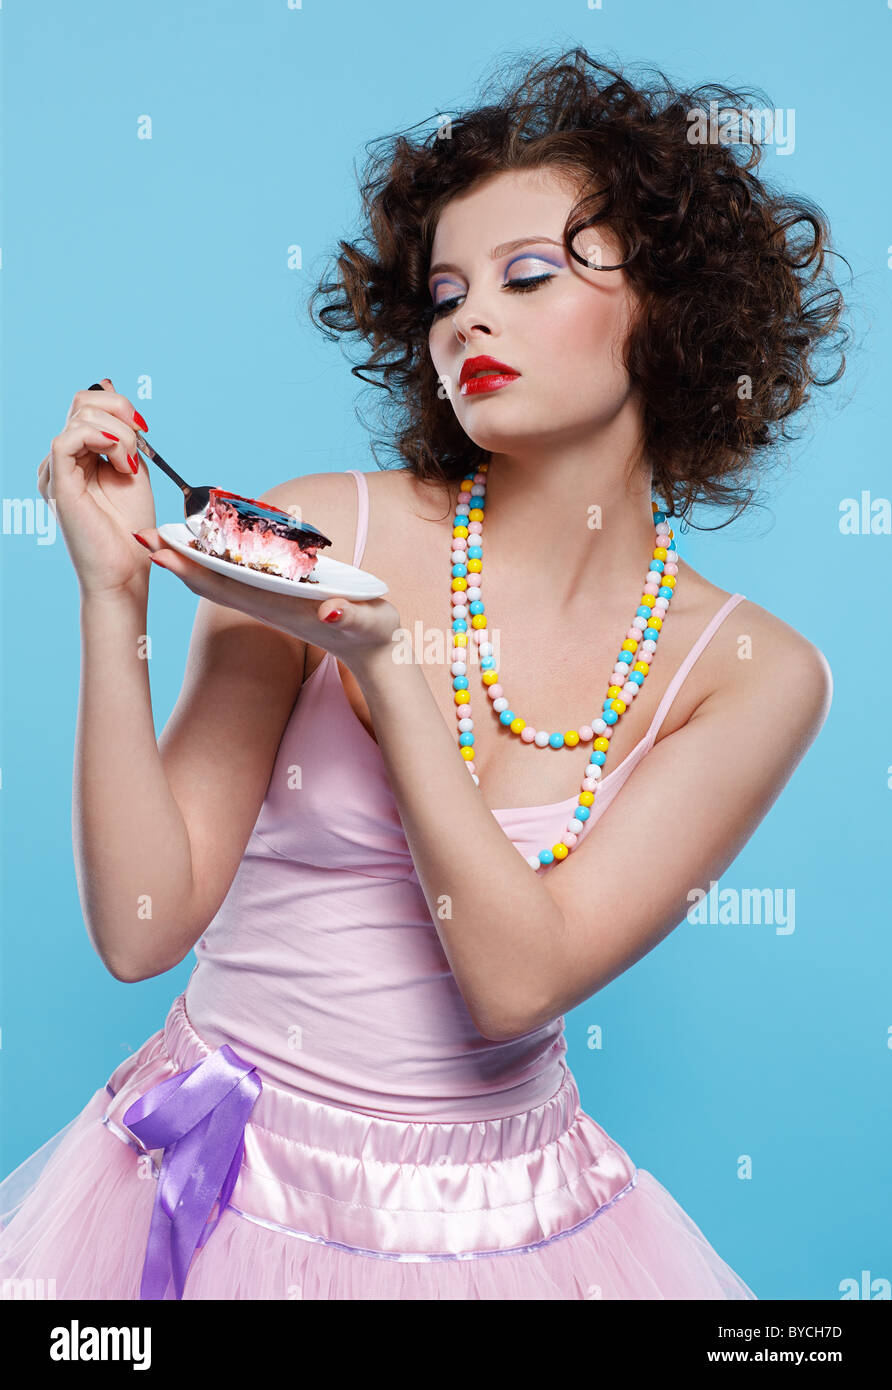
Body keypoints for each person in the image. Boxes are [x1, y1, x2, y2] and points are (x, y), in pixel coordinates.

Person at [0, 47, 846, 1300]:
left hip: (506, 1227)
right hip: (226, 1177)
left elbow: (514, 984)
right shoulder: (319, 528)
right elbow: (140, 930)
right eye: (445, 295)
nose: (471, 323)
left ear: (669, 306)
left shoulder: (753, 671)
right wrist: (111, 592)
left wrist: (385, 667)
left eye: (526, 275)